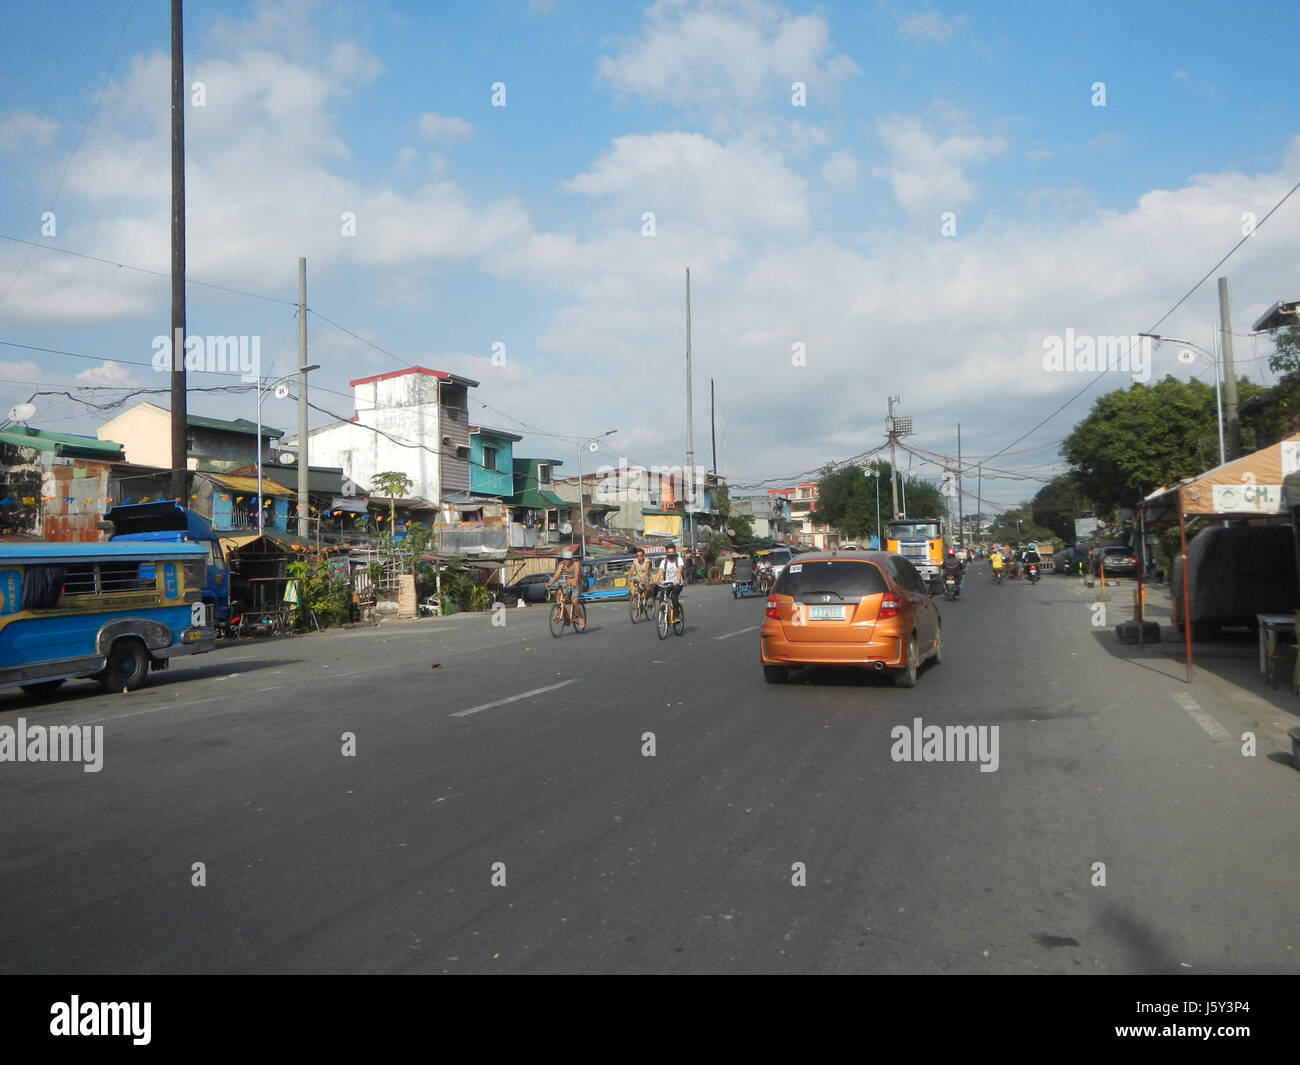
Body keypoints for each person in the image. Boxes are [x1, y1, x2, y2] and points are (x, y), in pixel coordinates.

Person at [546, 548, 585, 630]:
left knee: (574, 601)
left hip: (576, 584)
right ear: (564, 559)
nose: (567, 561)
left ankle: (580, 618)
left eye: (569, 559)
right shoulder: (561, 565)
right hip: (567, 584)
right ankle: (559, 610)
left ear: (571, 559)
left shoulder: (575, 563)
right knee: (559, 593)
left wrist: (575, 581)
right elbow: (556, 575)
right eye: (566, 559)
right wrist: (550, 584)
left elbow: (577, 573)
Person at [656, 544, 685, 618]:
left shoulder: (679, 560)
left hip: (677, 583)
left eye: (672, 552)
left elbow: (679, 570)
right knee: (662, 594)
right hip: (667, 583)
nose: (671, 554)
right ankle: (663, 612)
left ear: (675, 552)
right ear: (666, 553)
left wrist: (678, 580)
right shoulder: (664, 561)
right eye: (669, 552)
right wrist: (656, 580)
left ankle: (676, 617)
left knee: (673, 596)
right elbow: (660, 572)